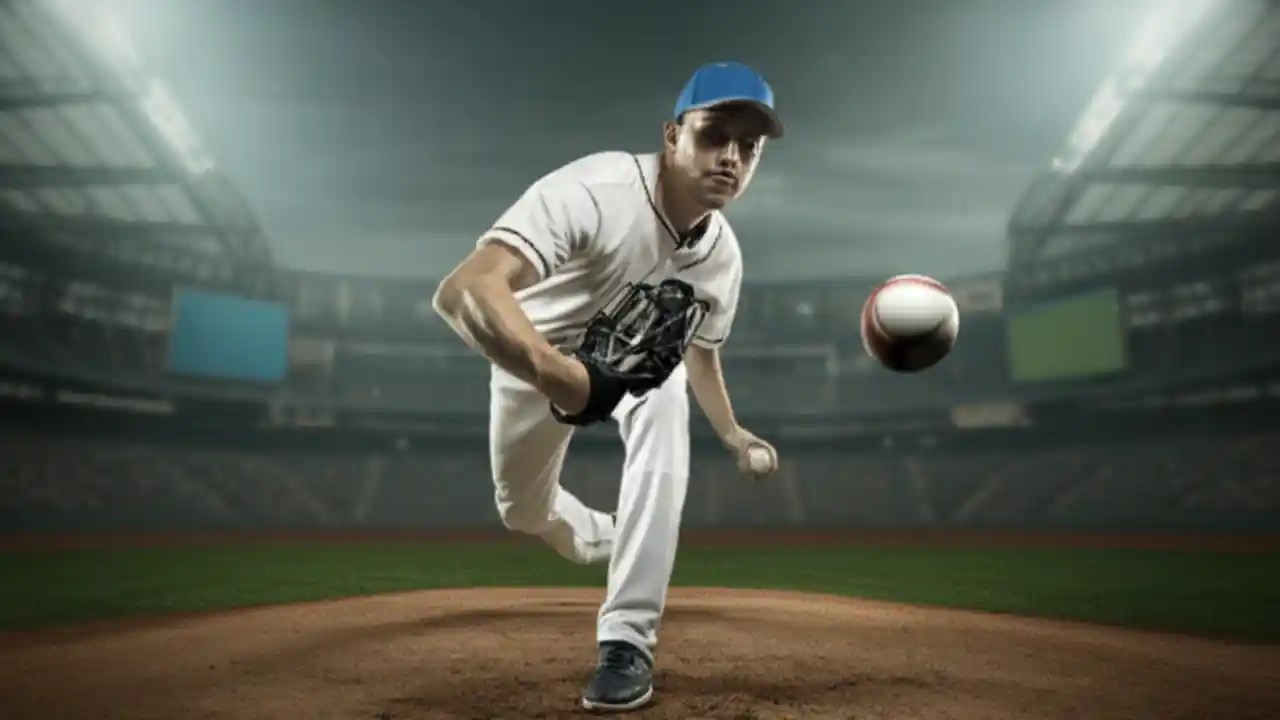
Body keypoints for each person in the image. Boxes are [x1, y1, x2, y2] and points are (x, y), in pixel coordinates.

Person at [432, 61, 783, 713]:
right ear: (672, 135)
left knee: (666, 395)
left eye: (749, 145)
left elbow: (701, 354)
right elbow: (464, 291)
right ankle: (610, 534)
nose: (731, 156)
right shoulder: (598, 190)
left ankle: (627, 640)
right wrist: (560, 377)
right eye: (714, 134)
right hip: (528, 359)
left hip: (630, 368)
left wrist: (733, 433)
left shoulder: (722, 256)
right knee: (522, 511)